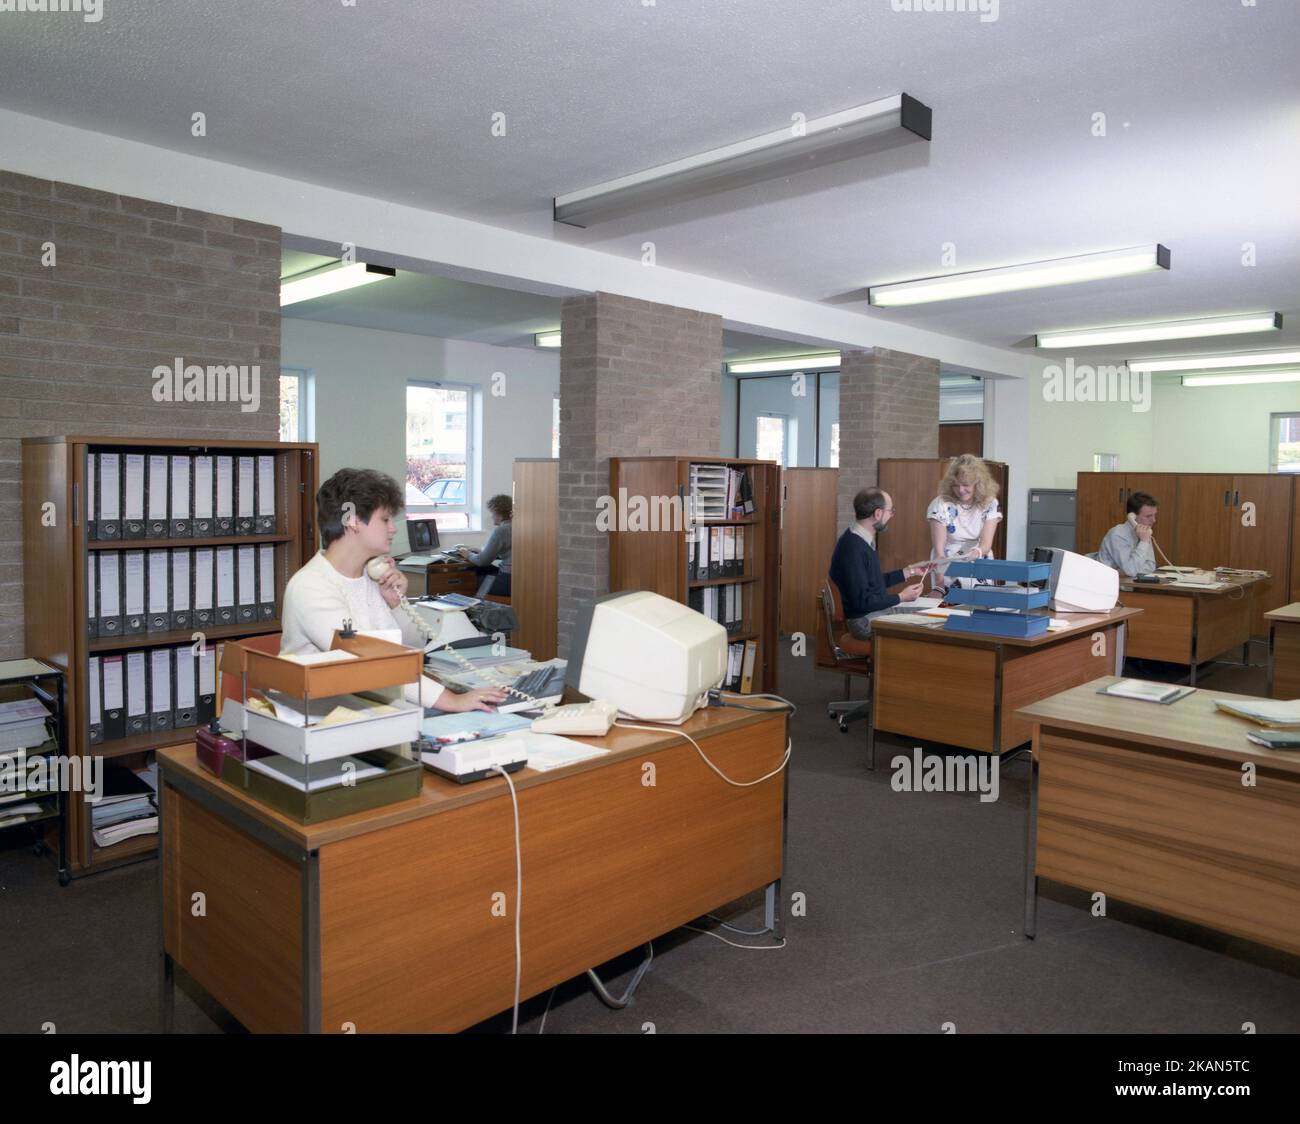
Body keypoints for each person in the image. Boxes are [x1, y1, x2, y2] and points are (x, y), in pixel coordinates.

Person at [281, 467, 507, 713]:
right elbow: (367, 660)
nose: (394, 528)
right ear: (353, 521)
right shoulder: (311, 586)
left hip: (371, 703)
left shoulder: (371, 577)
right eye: (385, 519)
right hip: (323, 717)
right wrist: (451, 700)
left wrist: (396, 604)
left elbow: (413, 647)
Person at [828, 488, 928, 640]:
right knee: (929, 624)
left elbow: (872, 582)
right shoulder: (853, 548)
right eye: (890, 511)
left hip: (872, 613)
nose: (891, 515)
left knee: (930, 614)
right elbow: (863, 602)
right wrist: (901, 597)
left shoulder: (860, 540)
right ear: (878, 514)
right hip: (863, 622)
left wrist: (909, 572)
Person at [926, 455, 1002, 593]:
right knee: (948, 606)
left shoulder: (990, 503)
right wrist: (939, 586)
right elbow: (939, 553)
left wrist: (977, 552)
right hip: (947, 564)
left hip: (979, 559)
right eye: (955, 485)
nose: (960, 490)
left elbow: (985, 544)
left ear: (978, 484)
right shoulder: (941, 504)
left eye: (966, 485)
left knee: (980, 606)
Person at [457, 493, 512, 597]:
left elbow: (481, 561)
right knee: (483, 570)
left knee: (468, 577)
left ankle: (478, 609)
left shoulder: (501, 530)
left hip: (507, 581)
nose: (491, 516)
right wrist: (482, 552)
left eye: (492, 513)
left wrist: (467, 554)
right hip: (517, 578)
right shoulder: (518, 526)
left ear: (498, 513)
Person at [1098, 491, 1158, 578]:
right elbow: (1131, 570)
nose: (1154, 520)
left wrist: (1124, 571)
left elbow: (1151, 566)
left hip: (1132, 583)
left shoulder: (1145, 532)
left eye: (1154, 515)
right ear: (1132, 516)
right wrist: (1144, 542)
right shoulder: (1117, 534)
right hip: (1113, 586)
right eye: (1148, 516)